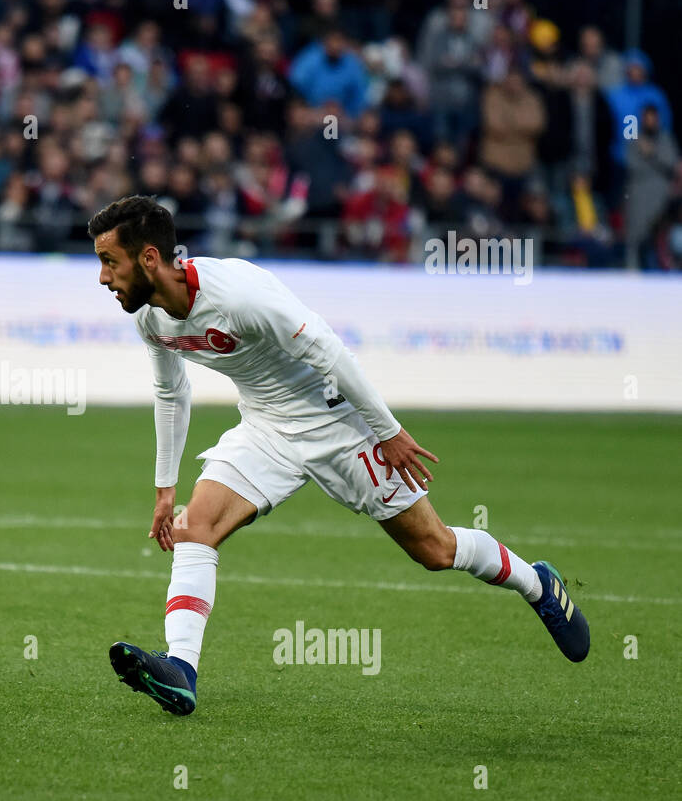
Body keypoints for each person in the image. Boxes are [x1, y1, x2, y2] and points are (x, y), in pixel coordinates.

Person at [88, 195, 589, 715]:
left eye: (109, 261)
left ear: (149, 259)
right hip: (266, 427)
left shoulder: (238, 294)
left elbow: (328, 349)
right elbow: (172, 393)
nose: (103, 278)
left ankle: (539, 585)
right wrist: (165, 489)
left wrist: (387, 431)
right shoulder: (152, 320)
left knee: (434, 550)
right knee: (197, 526)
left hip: (339, 425)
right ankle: (181, 670)